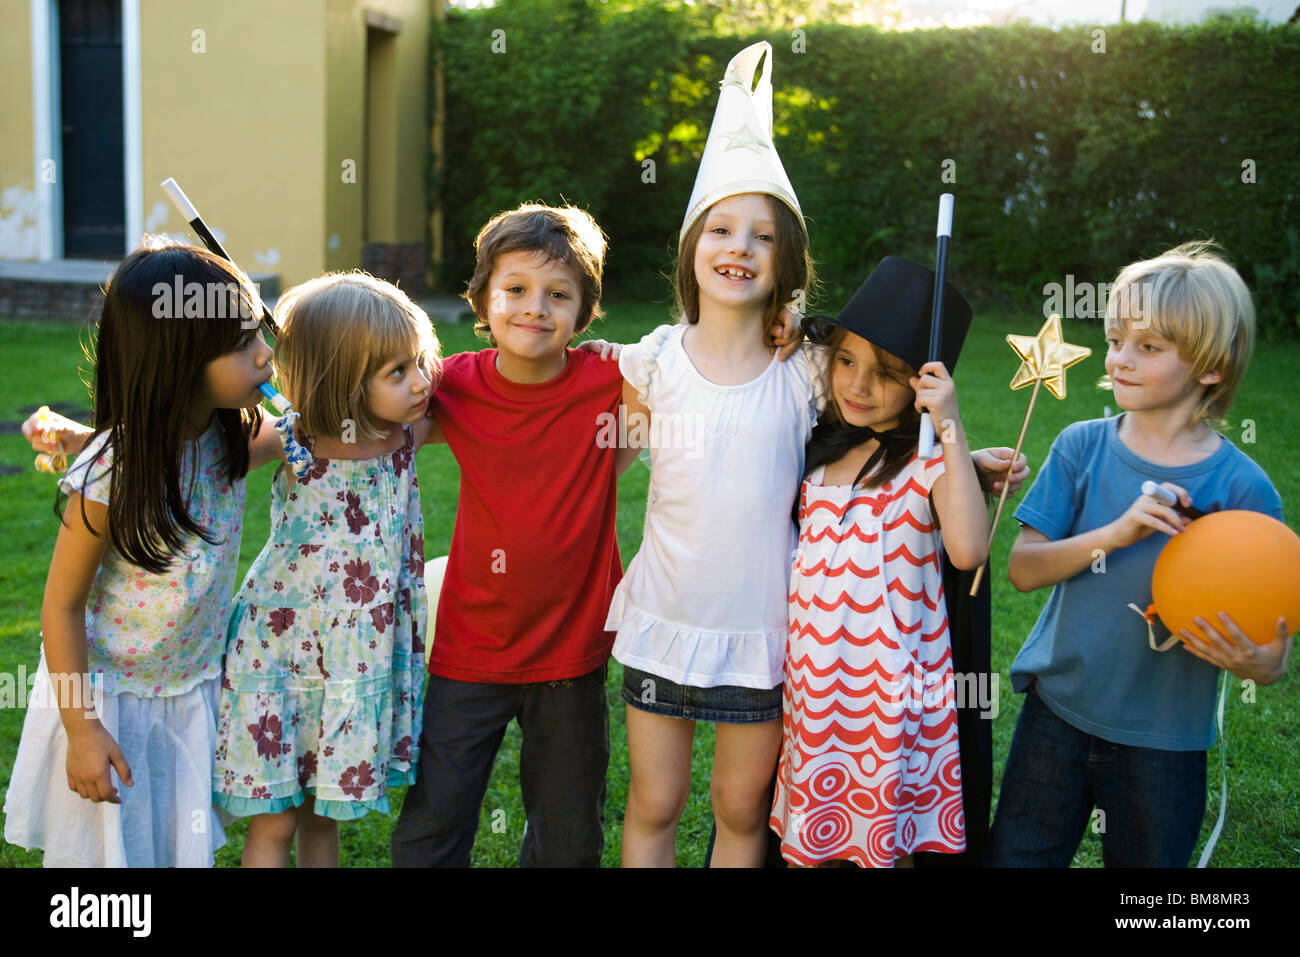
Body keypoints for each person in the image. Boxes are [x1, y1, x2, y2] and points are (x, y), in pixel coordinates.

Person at [989, 241, 1294, 867]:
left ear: (1210, 367)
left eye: (1148, 347)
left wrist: (1262, 664)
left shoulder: (1243, 490)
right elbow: (1023, 570)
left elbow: (1271, 651)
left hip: (1164, 742)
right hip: (1058, 713)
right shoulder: (1081, 448)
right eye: (1115, 339)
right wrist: (1116, 534)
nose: (1120, 360)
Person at [3, 240, 281, 866]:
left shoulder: (227, 434)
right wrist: (81, 730)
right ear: (177, 362)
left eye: (259, 329)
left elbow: (317, 421)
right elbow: (61, 605)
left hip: (190, 694)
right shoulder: (113, 474)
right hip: (111, 706)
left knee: (172, 849)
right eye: (243, 343)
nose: (266, 352)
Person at [389, 203, 637, 868]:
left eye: (559, 295)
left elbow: (699, 374)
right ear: (483, 299)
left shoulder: (612, 384)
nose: (536, 308)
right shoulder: (454, 384)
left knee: (568, 830)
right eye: (517, 290)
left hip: (572, 654)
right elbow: (384, 423)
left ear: (584, 313)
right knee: (436, 813)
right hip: (469, 644)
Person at [211, 272, 440, 867]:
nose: (421, 381)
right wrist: (86, 439)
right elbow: (194, 454)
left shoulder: (407, 431)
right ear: (340, 380)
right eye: (398, 371)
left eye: (419, 361)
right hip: (281, 653)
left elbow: (494, 389)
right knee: (276, 821)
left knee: (323, 813)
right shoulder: (294, 437)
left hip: (356, 655)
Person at [770, 257, 989, 867]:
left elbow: (969, 549)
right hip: (813, 694)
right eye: (846, 362)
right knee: (809, 844)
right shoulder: (815, 452)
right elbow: (787, 350)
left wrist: (951, 427)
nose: (858, 386)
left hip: (890, 703)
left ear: (923, 385)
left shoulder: (927, 467)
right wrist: (790, 323)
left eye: (887, 375)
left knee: (878, 844)